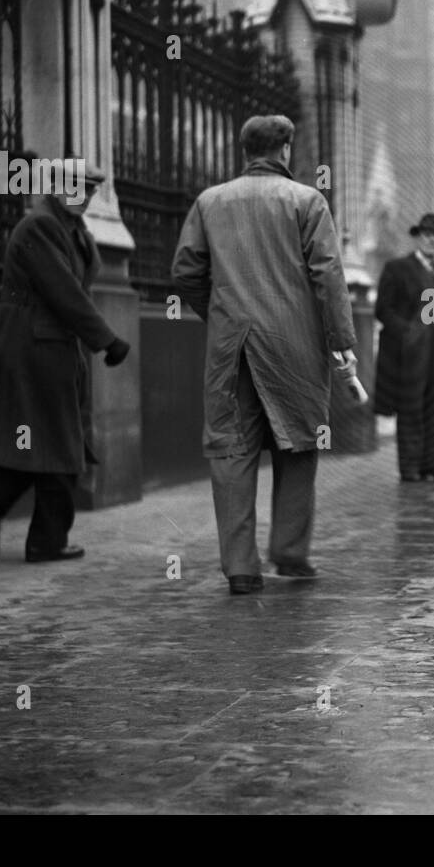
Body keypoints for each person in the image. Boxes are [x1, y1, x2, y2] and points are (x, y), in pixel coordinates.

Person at [171, 115, 357, 594]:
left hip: (229, 348)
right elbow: (328, 276)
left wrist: (220, 313)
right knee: (299, 445)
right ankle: (291, 555)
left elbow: (186, 270)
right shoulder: (306, 201)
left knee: (232, 448)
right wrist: (342, 342)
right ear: (286, 150)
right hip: (295, 345)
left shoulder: (210, 201)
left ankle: (240, 567)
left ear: (245, 149)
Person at [0, 172, 132, 562]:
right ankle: (45, 539)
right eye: (76, 187)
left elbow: (72, 289)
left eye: (89, 189)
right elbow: (64, 291)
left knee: (49, 440)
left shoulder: (72, 228)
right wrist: (106, 339)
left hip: (50, 347)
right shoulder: (41, 225)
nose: (85, 196)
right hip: (33, 348)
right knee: (62, 442)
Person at [373, 213, 434, 482]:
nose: (431, 240)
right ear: (417, 238)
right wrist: (408, 332)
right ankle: (410, 468)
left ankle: (431, 465)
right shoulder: (397, 268)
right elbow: (383, 310)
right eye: (426, 235)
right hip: (411, 355)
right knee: (411, 408)